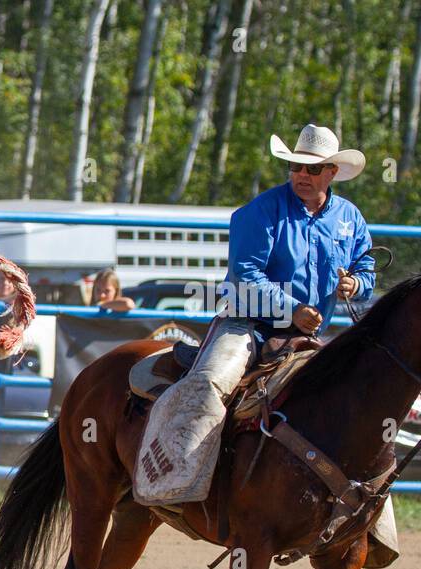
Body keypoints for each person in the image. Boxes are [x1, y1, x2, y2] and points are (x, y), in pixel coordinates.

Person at [134, 123, 376, 507]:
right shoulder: (261, 212)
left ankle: (367, 510)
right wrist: (291, 310)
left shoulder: (349, 218)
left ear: (332, 173)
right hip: (247, 325)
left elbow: (365, 266)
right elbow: (245, 276)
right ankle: (177, 477)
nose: (301, 175)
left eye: (313, 169)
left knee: (359, 398)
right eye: (296, 167)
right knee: (210, 381)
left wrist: (356, 286)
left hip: (307, 337)